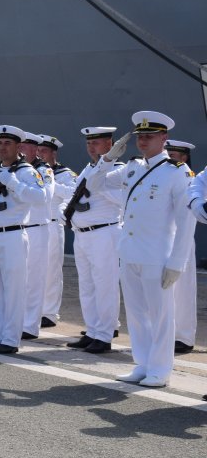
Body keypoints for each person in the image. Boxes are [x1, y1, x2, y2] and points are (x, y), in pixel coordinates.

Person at [92, 111, 194, 386]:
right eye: (140, 136)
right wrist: (109, 157)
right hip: (130, 252)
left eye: (150, 136)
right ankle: (143, 363)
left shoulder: (176, 172)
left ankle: (160, 369)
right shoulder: (132, 167)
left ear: (164, 138)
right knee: (137, 314)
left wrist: (177, 261)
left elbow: (186, 220)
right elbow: (94, 184)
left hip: (157, 255)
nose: (143, 141)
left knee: (161, 315)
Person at [0, 125, 48, 354]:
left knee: (13, 290)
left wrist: (13, 183)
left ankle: (10, 339)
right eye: (0, 143)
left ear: (18, 147)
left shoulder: (26, 171)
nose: (3, 147)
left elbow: (41, 197)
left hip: (12, 235)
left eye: (8, 144)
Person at [65, 126, 124, 354]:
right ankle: (92, 330)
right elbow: (75, 195)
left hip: (104, 233)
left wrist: (99, 180)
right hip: (82, 235)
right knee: (87, 286)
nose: (91, 147)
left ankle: (105, 335)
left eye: (96, 143)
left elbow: (122, 200)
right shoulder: (88, 168)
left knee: (105, 285)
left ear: (110, 145)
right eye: (89, 143)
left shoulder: (118, 170)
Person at [36, 135, 76, 328]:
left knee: (51, 271)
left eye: (44, 150)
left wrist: (51, 184)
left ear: (53, 153)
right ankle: (35, 309)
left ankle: (49, 312)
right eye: (38, 150)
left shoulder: (64, 173)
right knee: (34, 270)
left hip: (53, 224)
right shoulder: (33, 171)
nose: (40, 154)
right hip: (35, 224)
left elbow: (73, 192)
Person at [19, 132, 55, 340]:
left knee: (34, 279)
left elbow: (45, 197)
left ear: (35, 149)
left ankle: (30, 325)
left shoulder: (44, 170)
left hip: (38, 228)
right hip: (21, 227)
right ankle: (18, 320)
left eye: (25, 147)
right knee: (20, 279)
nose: (21, 151)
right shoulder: (18, 170)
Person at [167, 139, 197, 354]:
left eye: (173, 154)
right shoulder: (166, 173)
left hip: (182, 236)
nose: (168, 156)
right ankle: (170, 333)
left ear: (184, 157)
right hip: (165, 238)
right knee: (166, 290)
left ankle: (184, 337)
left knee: (183, 290)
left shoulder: (187, 176)